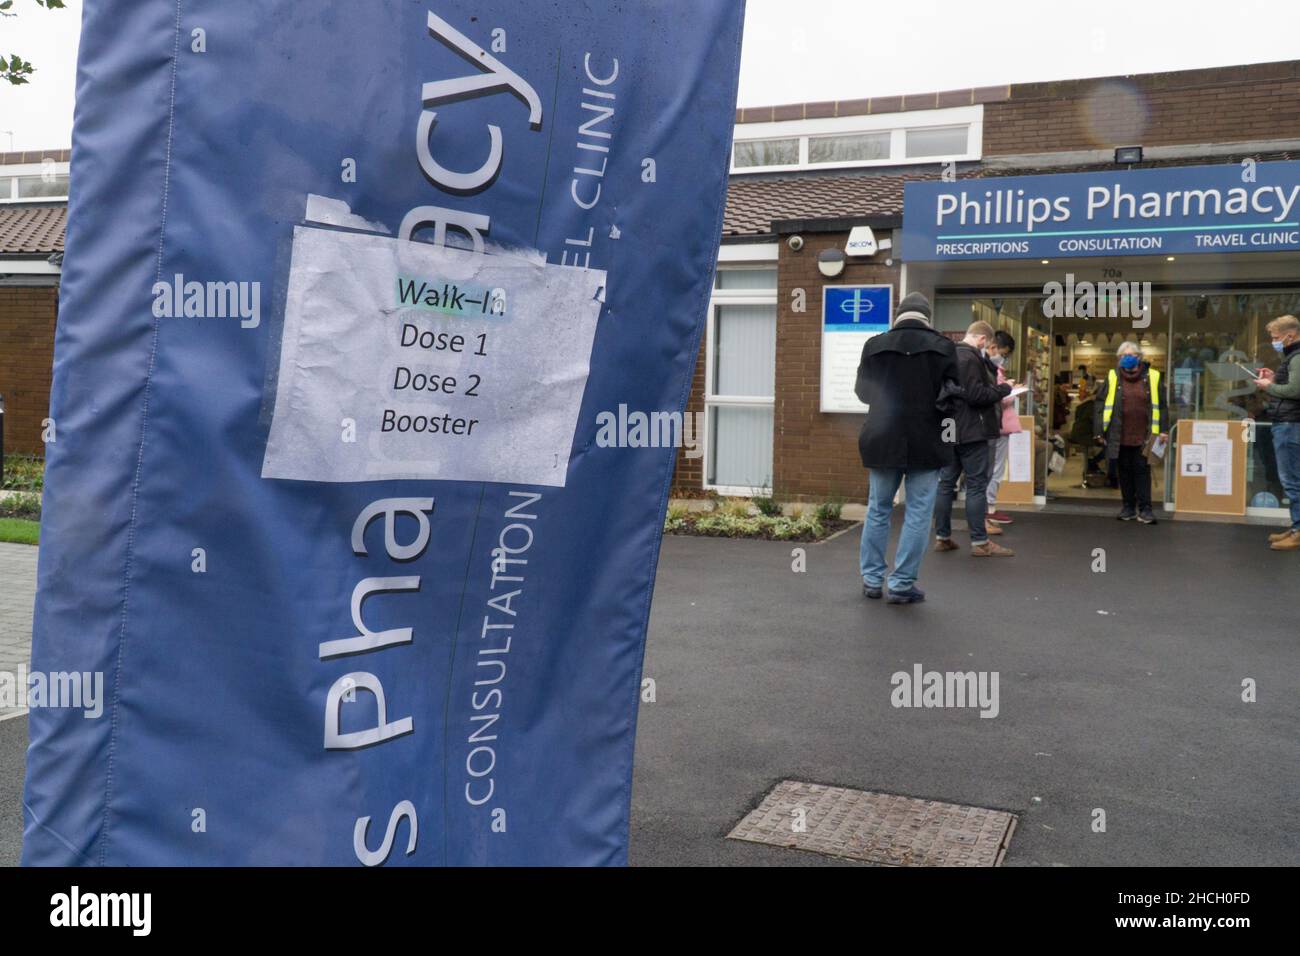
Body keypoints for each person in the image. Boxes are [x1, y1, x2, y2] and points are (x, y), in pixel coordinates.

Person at [855, 292, 959, 605]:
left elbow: (862, 393)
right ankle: (901, 584)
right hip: (927, 441)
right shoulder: (944, 348)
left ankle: (872, 580)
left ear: (899, 314)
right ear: (927, 317)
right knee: (917, 512)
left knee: (878, 508)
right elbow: (953, 397)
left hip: (882, 438)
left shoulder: (874, 346)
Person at [934, 321, 1014, 557]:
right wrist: (1004, 389)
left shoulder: (948, 354)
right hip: (971, 429)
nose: (988, 349)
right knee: (977, 485)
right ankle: (980, 542)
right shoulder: (969, 359)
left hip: (948, 426)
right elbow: (976, 395)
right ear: (981, 339)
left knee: (946, 483)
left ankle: (942, 536)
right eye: (987, 345)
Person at [1096, 341, 1166, 523]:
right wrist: (1099, 431)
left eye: (1131, 355)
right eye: (1123, 355)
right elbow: (1100, 403)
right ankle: (1128, 507)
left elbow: (1162, 406)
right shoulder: (1112, 376)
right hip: (1119, 433)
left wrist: (1163, 430)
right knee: (1124, 470)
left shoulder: (1154, 376)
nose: (1126, 358)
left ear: (1139, 357)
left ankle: (1145, 509)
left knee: (1142, 470)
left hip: (1145, 434)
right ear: (1119, 359)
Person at [1254, 315, 1300, 551]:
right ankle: (1295, 528)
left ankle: (1298, 531)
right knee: (1291, 479)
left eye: (1276, 338)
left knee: (1292, 481)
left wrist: (1268, 386)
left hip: (1290, 425)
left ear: (1289, 336)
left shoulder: (1297, 357)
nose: (1274, 342)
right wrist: (1274, 377)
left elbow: (1295, 390)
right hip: (1288, 423)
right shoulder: (1292, 358)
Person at [985, 330, 1020, 528]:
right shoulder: (992, 371)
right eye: (1004, 353)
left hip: (996, 425)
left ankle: (988, 508)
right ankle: (989, 509)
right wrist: (1011, 389)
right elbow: (999, 397)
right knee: (994, 470)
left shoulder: (990, 369)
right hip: (998, 425)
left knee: (992, 469)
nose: (1003, 358)